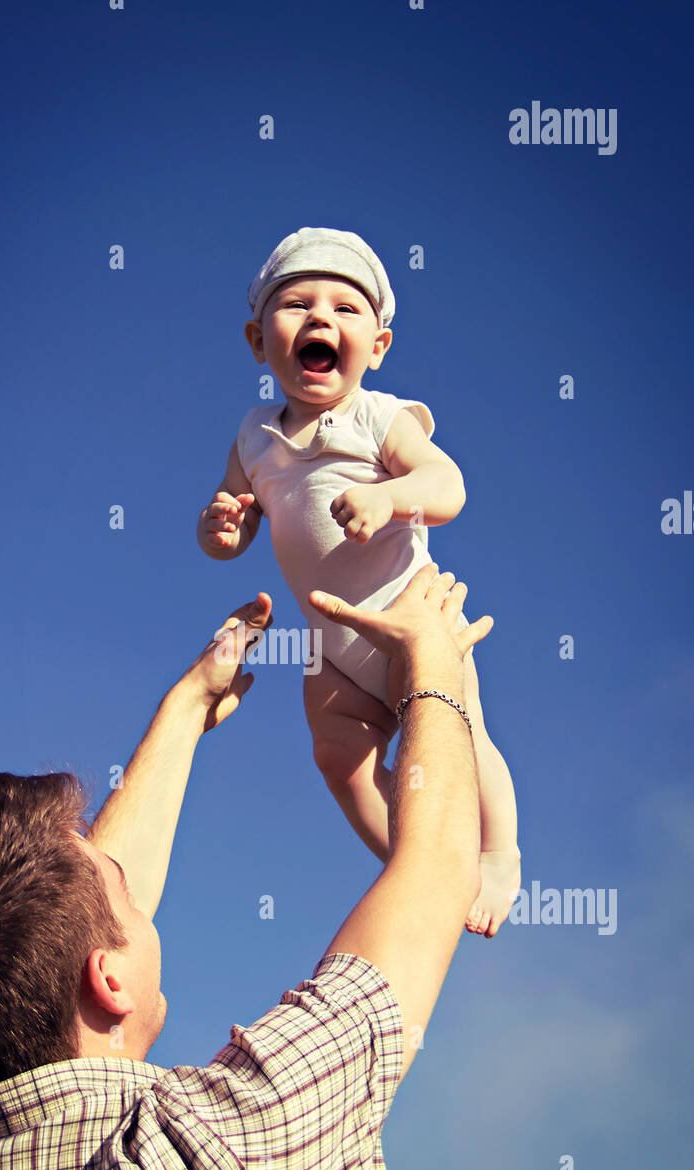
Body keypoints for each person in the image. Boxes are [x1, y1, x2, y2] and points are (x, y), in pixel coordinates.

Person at [0, 565, 489, 1170]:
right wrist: (433, 664)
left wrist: (187, 708)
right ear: (106, 980)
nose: (129, 881)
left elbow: (59, 942)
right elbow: (437, 872)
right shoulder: (216, 1155)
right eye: (117, 881)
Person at [197, 227, 520, 936]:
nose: (320, 319)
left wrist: (388, 498)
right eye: (298, 305)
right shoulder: (253, 438)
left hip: (409, 616)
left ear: (376, 347)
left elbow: (448, 484)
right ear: (258, 341)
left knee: (462, 732)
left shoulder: (379, 418)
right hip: (331, 637)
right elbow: (234, 528)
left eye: (345, 308)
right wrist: (221, 530)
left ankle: (497, 854)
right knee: (337, 755)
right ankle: (422, 865)